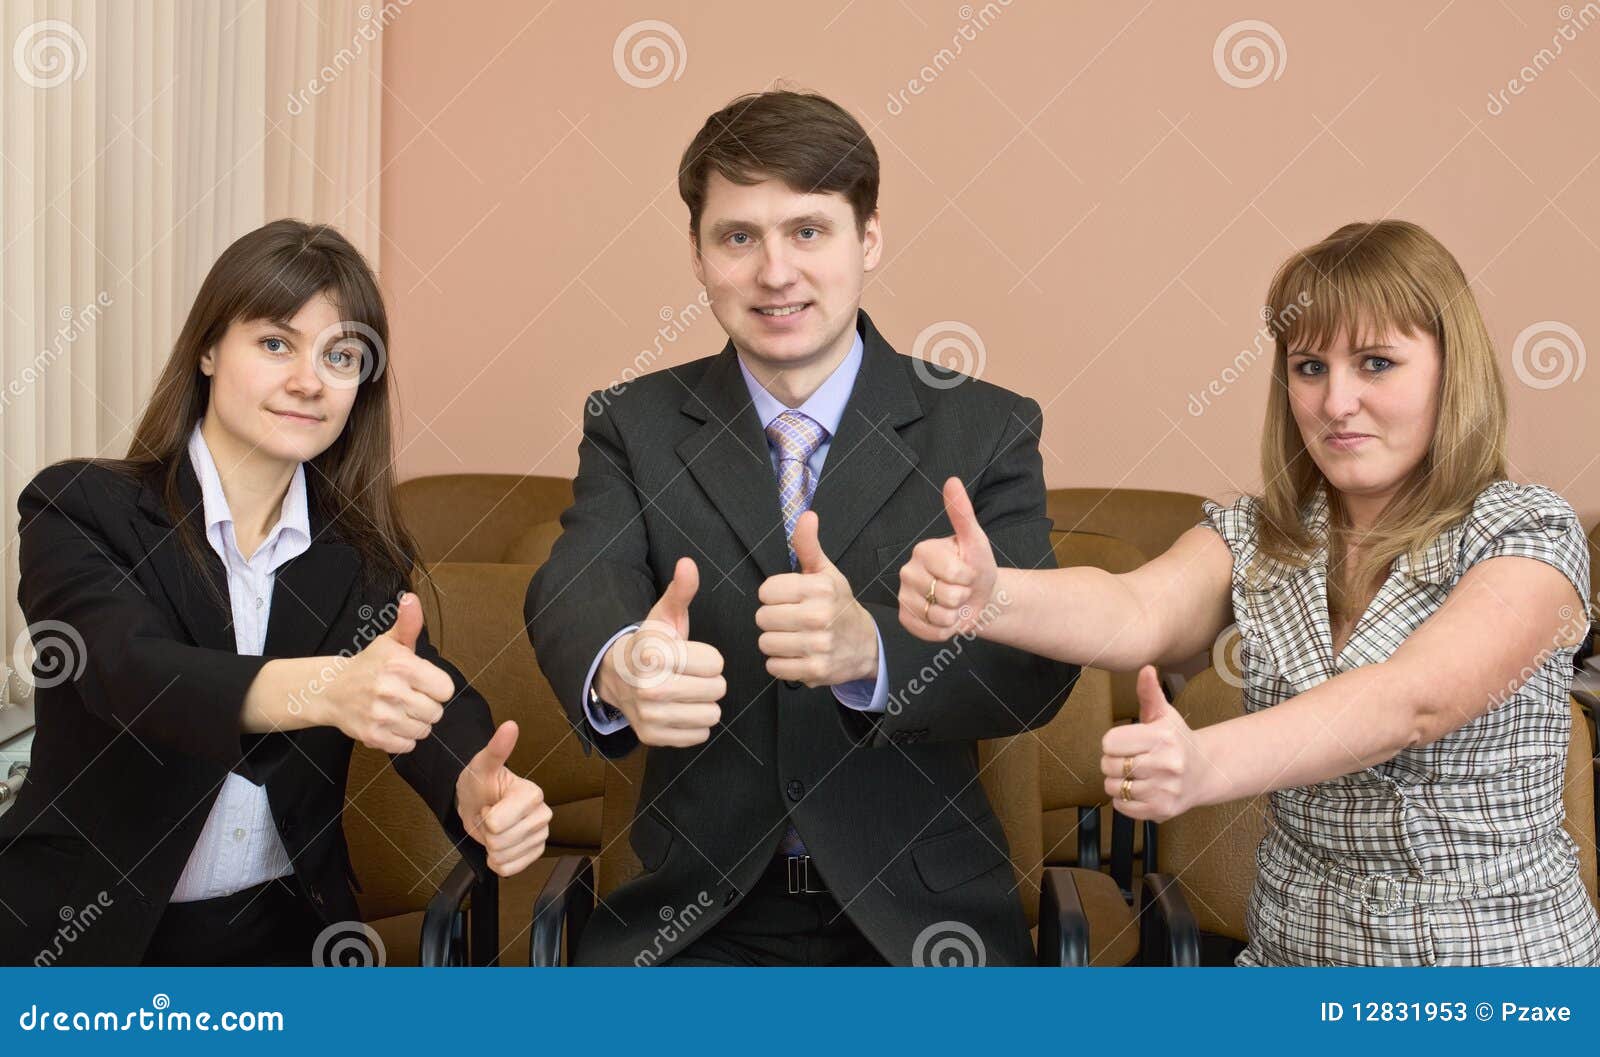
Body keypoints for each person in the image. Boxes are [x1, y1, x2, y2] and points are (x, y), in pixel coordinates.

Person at [898, 219, 1599, 966]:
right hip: (1291, 964)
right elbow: (1135, 608)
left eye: (1376, 363)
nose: (1336, 403)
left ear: (1451, 371)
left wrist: (1202, 765)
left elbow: (1410, 702)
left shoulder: (1527, 532)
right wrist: (992, 595)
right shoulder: (1264, 533)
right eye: (1309, 367)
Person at [527, 90, 1078, 966]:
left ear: (868, 240)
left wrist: (875, 653)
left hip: (922, 921)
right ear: (700, 259)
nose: (774, 272)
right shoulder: (633, 421)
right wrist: (621, 660)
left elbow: (1030, 667)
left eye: (809, 231)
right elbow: (576, 580)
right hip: (695, 916)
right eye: (738, 237)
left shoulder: (983, 427)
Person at [0, 220, 552, 966]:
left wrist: (474, 788)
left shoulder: (359, 554)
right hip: (85, 941)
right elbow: (129, 671)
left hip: (287, 942)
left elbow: (422, 691)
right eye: (275, 344)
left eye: (342, 355)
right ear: (206, 349)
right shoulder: (80, 506)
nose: (309, 380)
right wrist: (326, 689)